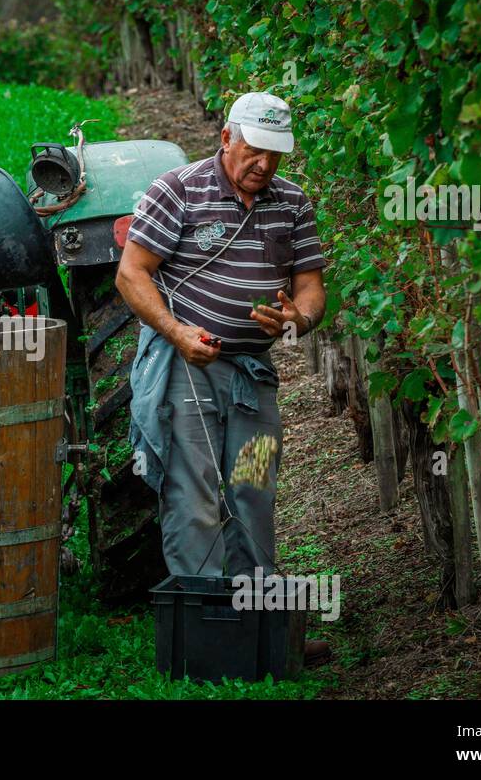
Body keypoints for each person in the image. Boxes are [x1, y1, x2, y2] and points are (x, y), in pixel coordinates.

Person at [118, 91, 331, 666]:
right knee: (195, 497)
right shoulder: (178, 190)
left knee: (252, 492)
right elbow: (131, 274)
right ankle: (210, 635)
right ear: (226, 139)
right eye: (253, 150)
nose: (262, 164)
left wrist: (297, 318)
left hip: (251, 377)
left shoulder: (291, 203)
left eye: (274, 155)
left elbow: (311, 287)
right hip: (188, 369)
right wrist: (177, 332)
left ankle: (260, 631)